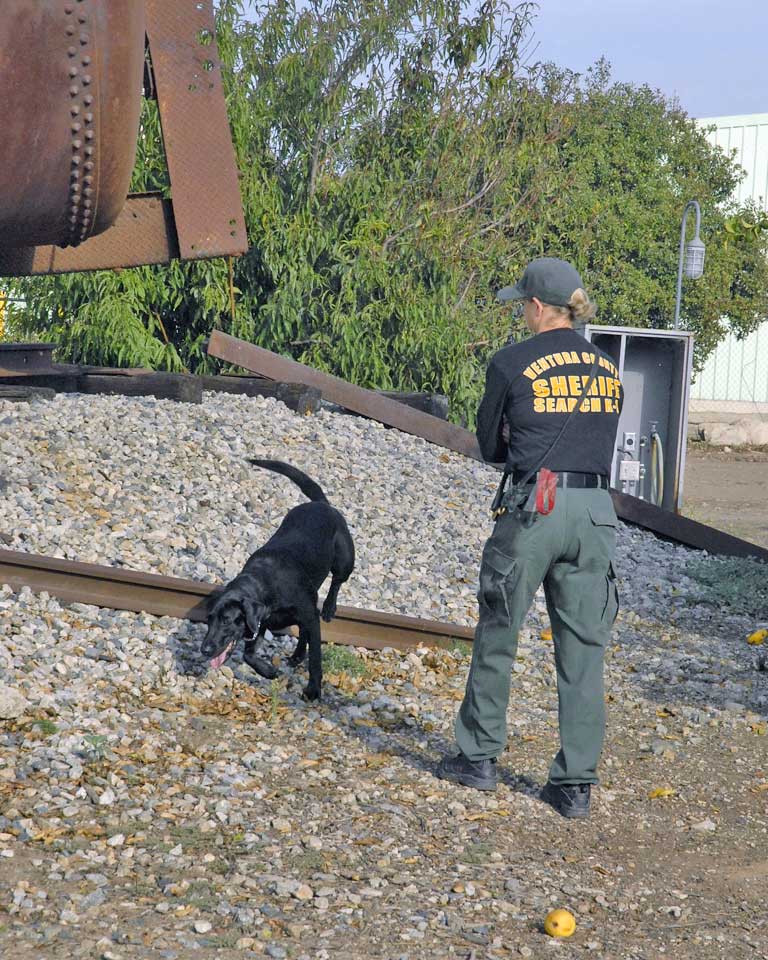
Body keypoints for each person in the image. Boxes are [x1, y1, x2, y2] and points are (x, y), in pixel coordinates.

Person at [436, 257, 623, 819]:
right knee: (585, 649)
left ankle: (479, 757)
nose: (521, 311)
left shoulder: (511, 362)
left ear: (539, 308)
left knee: (500, 630)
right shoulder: (608, 367)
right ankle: (574, 786)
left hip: (535, 504)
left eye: (523, 303)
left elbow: (492, 448)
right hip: (595, 511)